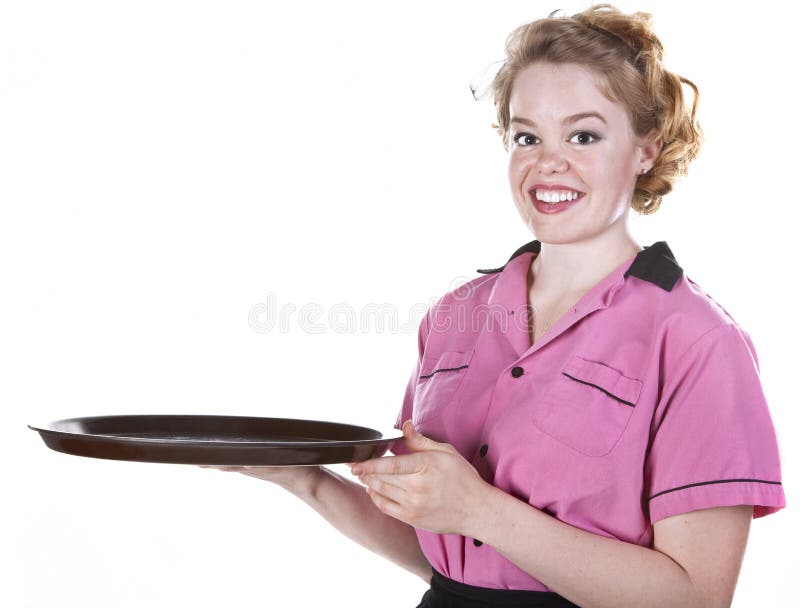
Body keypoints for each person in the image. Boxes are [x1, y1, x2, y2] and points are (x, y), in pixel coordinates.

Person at [203, 4, 786, 606]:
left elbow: (697, 598)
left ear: (646, 148)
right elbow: (439, 552)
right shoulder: (456, 315)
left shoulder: (697, 341)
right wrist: (305, 478)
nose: (547, 162)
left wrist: (482, 509)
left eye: (583, 135)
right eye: (526, 135)